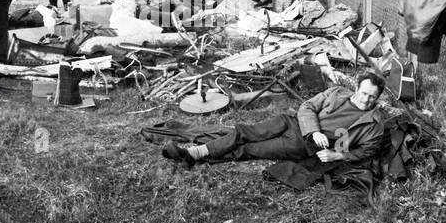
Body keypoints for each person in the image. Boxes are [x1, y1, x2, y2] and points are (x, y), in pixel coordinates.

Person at [163, 72, 387, 167]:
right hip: (292, 123)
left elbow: (367, 151)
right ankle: (196, 152)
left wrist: (337, 154)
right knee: (243, 132)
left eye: (372, 97)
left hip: (302, 145)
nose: (366, 99)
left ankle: (195, 155)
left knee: (252, 148)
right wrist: (315, 130)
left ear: (377, 99)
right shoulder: (337, 92)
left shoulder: (374, 124)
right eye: (364, 92)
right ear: (356, 87)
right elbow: (307, 106)